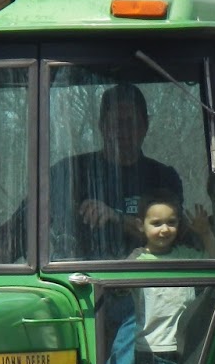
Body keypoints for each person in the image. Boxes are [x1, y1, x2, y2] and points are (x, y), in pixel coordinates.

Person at [119, 192, 214, 364]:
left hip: (185, 347)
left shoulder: (185, 255)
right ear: (141, 226)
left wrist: (205, 233)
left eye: (171, 223)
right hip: (150, 348)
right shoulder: (137, 260)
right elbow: (117, 286)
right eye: (156, 223)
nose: (164, 229)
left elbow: (214, 262)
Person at [51, 82, 183, 259]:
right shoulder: (70, 172)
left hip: (150, 280)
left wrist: (116, 218)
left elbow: (176, 236)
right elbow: (27, 222)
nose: (123, 131)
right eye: (116, 123)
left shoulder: (164, 178)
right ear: (102, 126)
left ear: (145, 127)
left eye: (131, 123)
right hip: (83, 280)